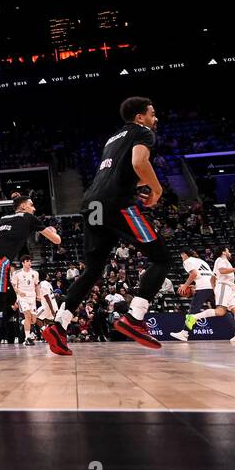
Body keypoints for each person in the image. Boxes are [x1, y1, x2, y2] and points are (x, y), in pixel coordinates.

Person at [42, 98, 170, 356]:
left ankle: (59, 325)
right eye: (152, 113)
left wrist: (138, 185)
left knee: (93, 270)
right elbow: (138, 163)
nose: (156, 118)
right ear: (140, 117)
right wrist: (156, 189)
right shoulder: (143, 132)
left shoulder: (112, 139)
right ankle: (134, 319)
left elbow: (119, 174)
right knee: (162, 258)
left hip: (92, 204)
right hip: (116, 205)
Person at [0, 196, 62, 351]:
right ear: (23, 206)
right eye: (31, 205)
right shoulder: (28, 217)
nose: (34, 208)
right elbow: (56, 240)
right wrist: (53, 230)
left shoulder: (0, 220)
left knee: (9, 298)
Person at [183, 246, 235, 343]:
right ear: (224, 252)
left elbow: (212, 278)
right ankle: (193, 317)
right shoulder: (220, 260)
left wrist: (214, 289)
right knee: (220, 311)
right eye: (228, 251)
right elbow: (222, 271)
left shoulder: (225, 262)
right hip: (223, 287)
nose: (229, 252)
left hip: (229, 288)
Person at [11, 256, 41, 346]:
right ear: (23, 263)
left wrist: (38, 295)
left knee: (33, 320)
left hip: (32, 298)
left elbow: (36, 285)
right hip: (22, 298)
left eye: (30, 261)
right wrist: (19, 292)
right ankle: (27, 338)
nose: (29, 263)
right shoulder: (17, 273)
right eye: (27, 261)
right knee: (27, 315)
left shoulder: (35, 273)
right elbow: (14, 286)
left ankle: (23, 322)